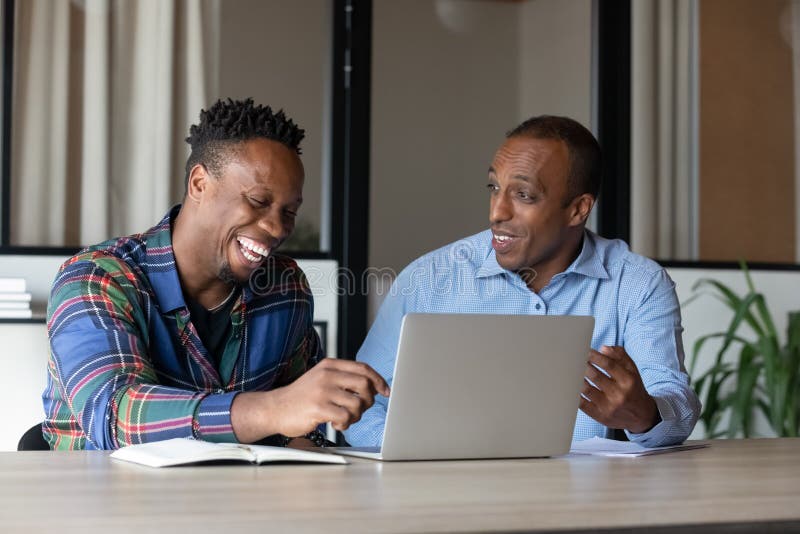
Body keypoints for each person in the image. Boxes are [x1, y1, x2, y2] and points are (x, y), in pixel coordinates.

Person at [43, 98, 388, 450]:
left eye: (289, 212)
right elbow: (115, 418)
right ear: (199, 184)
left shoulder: (286, 288)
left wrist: (312, 442)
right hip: (105, 499)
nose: (275, 227)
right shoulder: (98, 278)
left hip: (240, 499)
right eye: (258, 201)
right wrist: (274, 409)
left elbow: (295, 427)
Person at [344, 115, 700, 448]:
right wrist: (415, 458)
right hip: (448, 499)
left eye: (523, 195)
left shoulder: (637, 283)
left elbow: (674, 403)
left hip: (582, 505)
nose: (497, 212)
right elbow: (359, 404)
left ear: (578, 209)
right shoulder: (427, 280)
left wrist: (644, 415)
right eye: (494, 187)